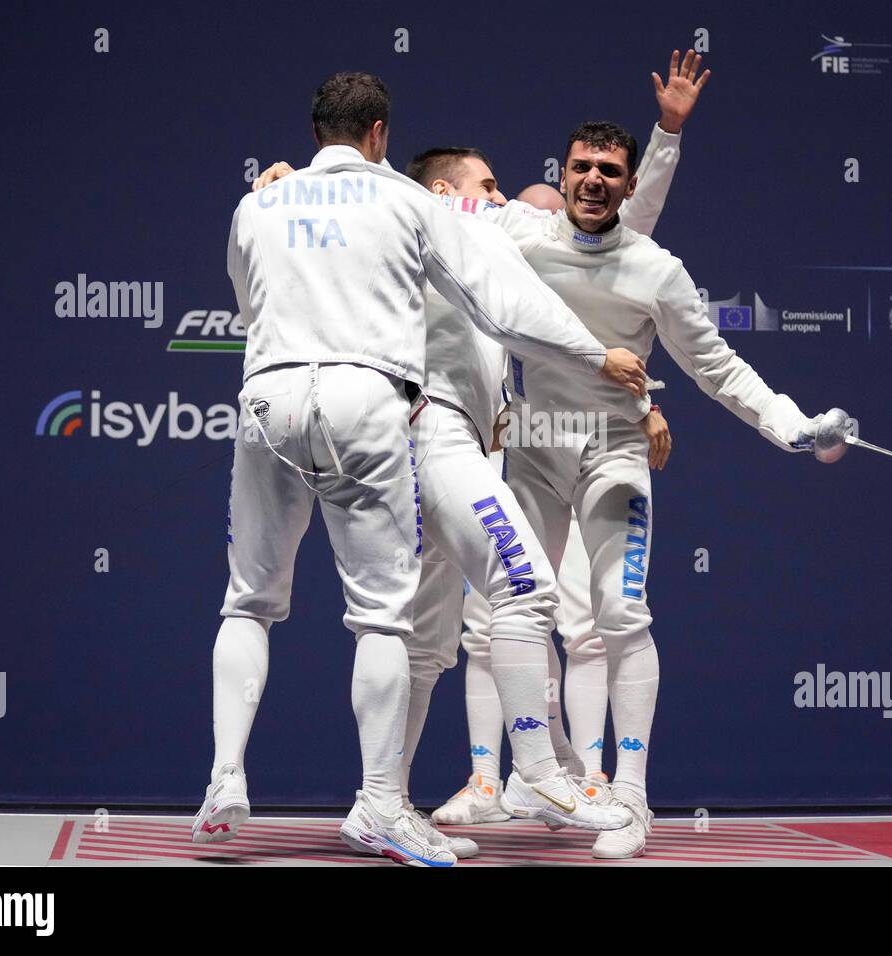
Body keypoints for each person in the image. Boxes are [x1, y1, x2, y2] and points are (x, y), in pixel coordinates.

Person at [192, 71, 648, 868]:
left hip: (266, 398)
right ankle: (483, 781)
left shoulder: (258, 201)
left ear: (316, 131)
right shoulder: (418, 203)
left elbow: (249, 302)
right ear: (379, 137)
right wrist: (593, 351)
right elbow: (505, 300)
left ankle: (226, 779)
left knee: (252, 603)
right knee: (390, 619)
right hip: (380, 407)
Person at [447, 119, 850, 858]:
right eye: (581, 167)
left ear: (629, 186)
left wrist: (791, 425)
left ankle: (629, 798)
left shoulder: (656, 268)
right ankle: (533, 776)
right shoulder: (519, 235)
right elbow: (424, 206)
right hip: (535, 451)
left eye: (608, 170)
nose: (593, 179)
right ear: (562, 176)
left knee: (620, 614)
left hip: (617, 454)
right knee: (517, 605)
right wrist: (302, 178)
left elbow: (718, 368)